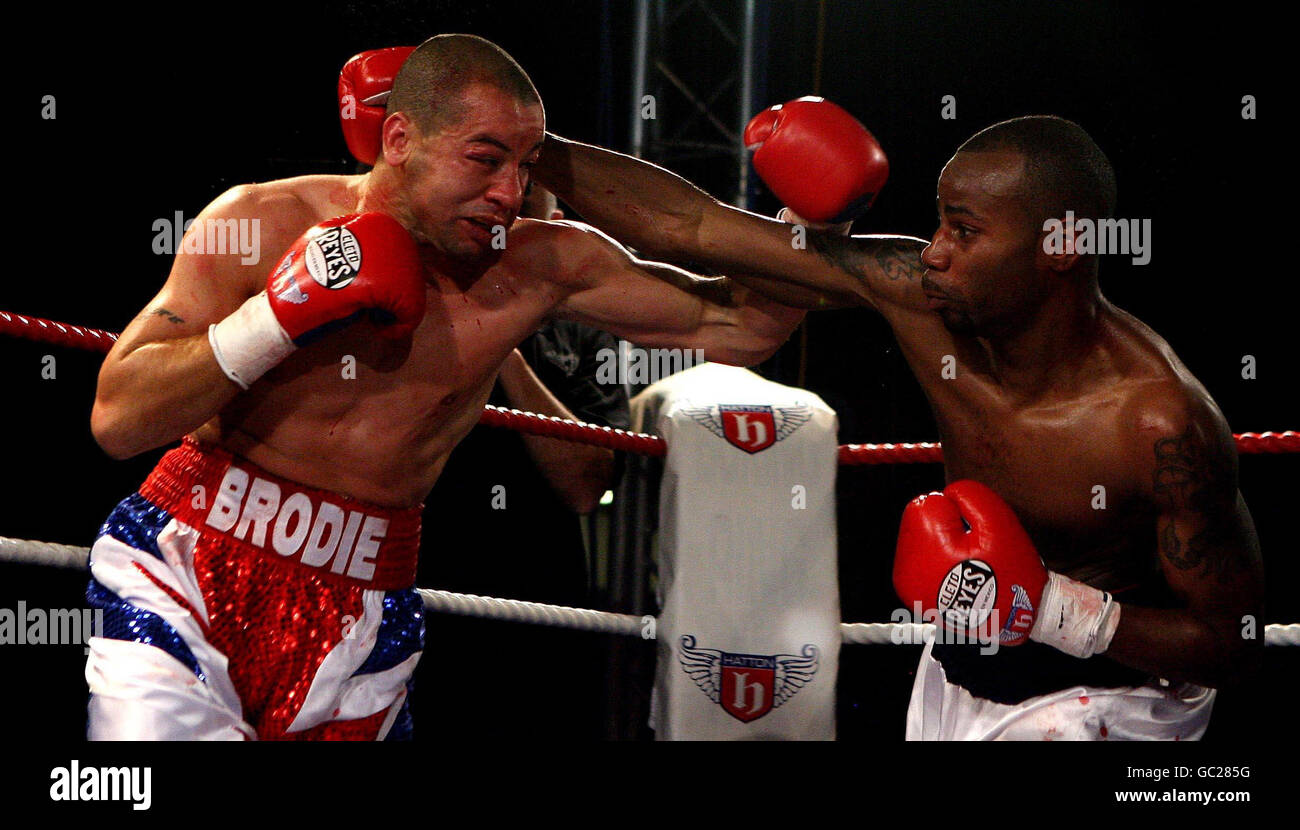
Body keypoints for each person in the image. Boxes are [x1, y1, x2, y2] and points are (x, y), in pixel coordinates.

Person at [82, 34, 804, 740]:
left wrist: (808, 224)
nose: (511, 194)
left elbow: (743, 327)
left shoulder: (539, 269)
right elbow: (118, 419)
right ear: (399, 139)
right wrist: (274, 316)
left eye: (527, 167)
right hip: (189, 566)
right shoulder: (260, 221)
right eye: (486, 160)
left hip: (366, 600)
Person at [534, 110, 1264, 740]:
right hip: (954, 675)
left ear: (1061, 246)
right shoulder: (924, 299)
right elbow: (693, 227)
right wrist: (530, 148)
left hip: (1108, 702)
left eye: (966, 230)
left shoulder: (1156, 423)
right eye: (941, 221)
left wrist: (1053, 609)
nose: (935, 251)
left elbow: (1230, 644)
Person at [414, 183, 628, 739]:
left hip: (539, 600)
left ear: (554, 225)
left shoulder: (586, 330)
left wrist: (500, 344)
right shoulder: (410, 304)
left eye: (524, 218)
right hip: (420, 591)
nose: (503, 232)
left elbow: (586, 487)